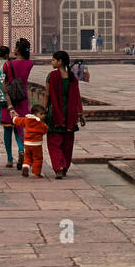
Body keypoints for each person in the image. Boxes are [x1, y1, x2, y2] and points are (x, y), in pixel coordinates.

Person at [46, 51, 84, 179]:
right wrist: (80, 113)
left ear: (60, 61)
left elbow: (47, 95)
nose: (52, 62)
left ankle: (59, 166)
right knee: (68, 142)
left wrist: (44, 110)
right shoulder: (72, 77)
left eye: (53, 60)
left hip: (55, 112)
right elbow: (77, 97)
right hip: (70, 114)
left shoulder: (51, 76)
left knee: (54, 142)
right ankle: (65, 165)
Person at [0, 41, 34, 169]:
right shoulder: (30, 63)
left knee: (7, 130)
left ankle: (9, 159)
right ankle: (21, 150)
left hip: (9, 99)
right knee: (19, 129)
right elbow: (22, 63)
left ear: (18, 50)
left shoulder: (8, 64)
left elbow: (3, 79)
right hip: (22, 98)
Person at [13, 103, 49, 177]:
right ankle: (36, 172)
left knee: (27, 157)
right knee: (37, 158)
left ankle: (25, 167)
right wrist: (45, 126)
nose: (43, 115)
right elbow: (45, 130)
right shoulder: (40, 123)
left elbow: (19, 120)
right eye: (41, 114)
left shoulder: (27, 119)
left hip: (27, 143)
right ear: (35, 114)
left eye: (44, 114)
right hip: (37, 145)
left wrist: (14, 118)